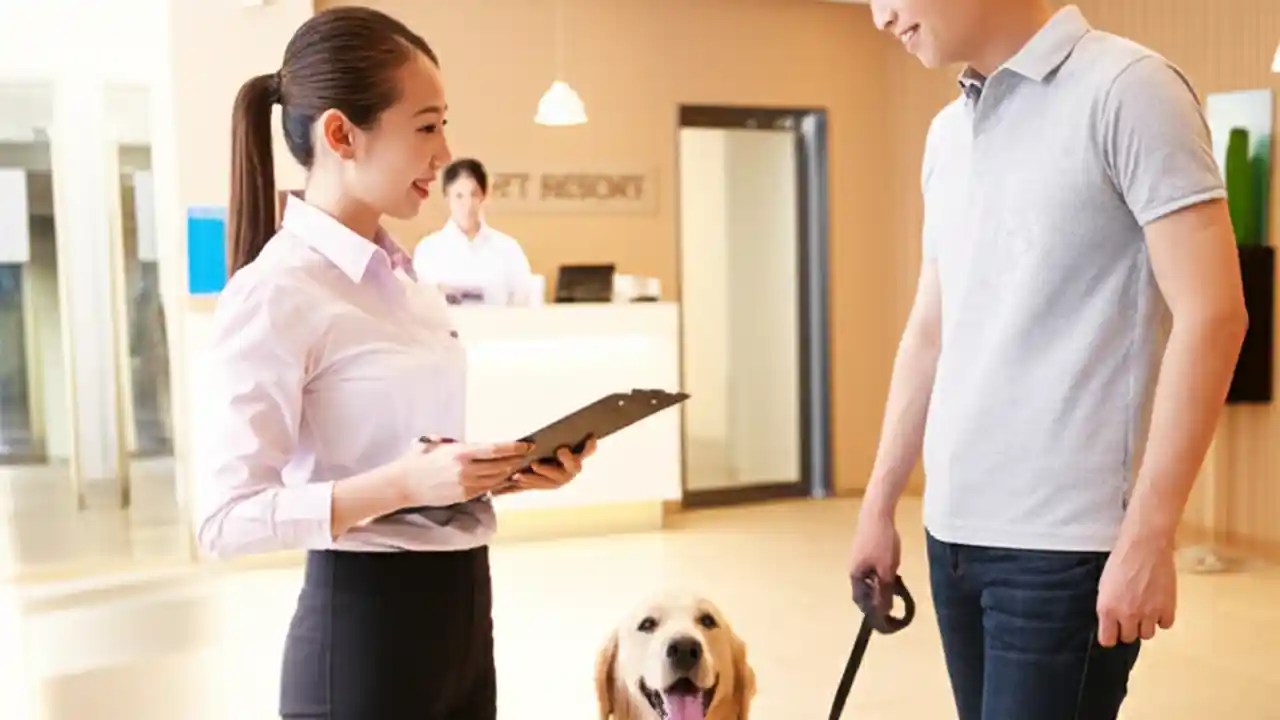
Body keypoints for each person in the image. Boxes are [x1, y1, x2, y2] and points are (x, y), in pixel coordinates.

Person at [849, 2, 1247, 719]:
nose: (880, 17)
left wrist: (1149, 539)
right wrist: (880, 505)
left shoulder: (1129, 89)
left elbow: (1214, 315)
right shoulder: (947, 134)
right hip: (953, 535)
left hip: (1064, 549)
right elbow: (930, 333)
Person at [195, 8, 595, 719]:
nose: (445, 156)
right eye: (427, 126)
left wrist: (494, 477)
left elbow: (410, 474)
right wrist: (407, 482)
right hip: (363, 641)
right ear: (342, 135)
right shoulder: (277, 291)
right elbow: (225, 520)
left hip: (465, 620)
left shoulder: (410, 286)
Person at [413, 158, 536, 306]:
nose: (467, 204)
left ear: (483, 196)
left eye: (474, 194)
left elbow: (524, 301)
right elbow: (419, 303)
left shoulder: (508, 249)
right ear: (447, 197)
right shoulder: (428, 249)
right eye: (459, 196)